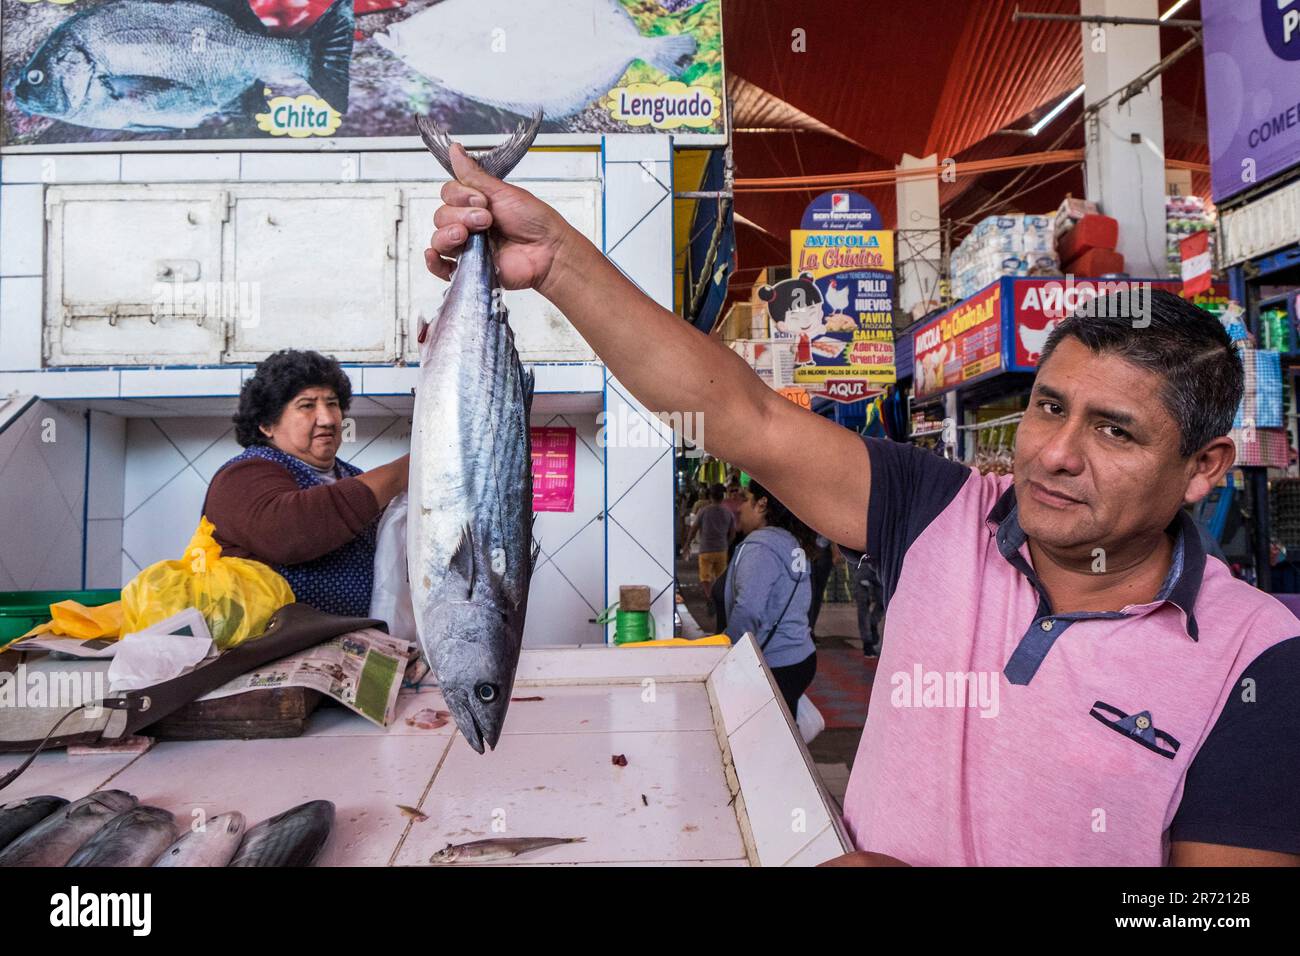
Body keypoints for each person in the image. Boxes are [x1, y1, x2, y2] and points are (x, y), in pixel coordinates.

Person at [426, 146, 1300, 866]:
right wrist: (559, 261)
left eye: (1114, 432)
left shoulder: (1260, 658)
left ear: (1204, 467)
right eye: (1047, 407)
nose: (1056, 455)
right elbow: (743, 415)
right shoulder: (940, 511)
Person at [203, 349, 409, 618]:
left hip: (352, 649)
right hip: (269, 654)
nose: (327, 418)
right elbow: (290, 532)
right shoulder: (242, 476)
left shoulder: (351, 475)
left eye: (333, 404)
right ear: (267, 424)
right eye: (307, 405)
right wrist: (406, 469)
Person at [718, 480, 817, 715]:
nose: (739, 507)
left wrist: (727, 650)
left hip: (771, 663)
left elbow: (749, 609)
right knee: (784, 734)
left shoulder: (759, 548)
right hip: (800, 656)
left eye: (745, 499)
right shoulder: (793, 544)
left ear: (761, 504)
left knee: (762, 741)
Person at [681, 484, 736, 614]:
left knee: (705, 578)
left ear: (710, 496)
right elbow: (733, 532)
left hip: (706, 549)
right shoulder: (728, 512)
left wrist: (687, 543)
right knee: (720, 577)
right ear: (722, 497)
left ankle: (710, 597)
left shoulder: (704, 511)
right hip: (722, 549)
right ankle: (719, 600)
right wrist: (727, 543)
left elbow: (694, 529)